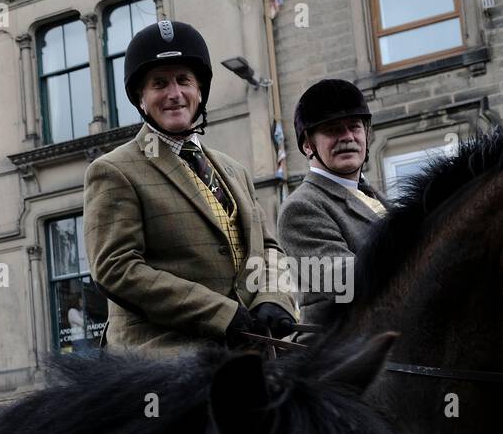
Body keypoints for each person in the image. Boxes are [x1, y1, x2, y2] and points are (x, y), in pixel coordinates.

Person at [84, 19, 298, 356]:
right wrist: (221, 314)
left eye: (184, 80)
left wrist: (274, 297)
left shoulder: (234, 169)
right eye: (159, 84)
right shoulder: (113, 170)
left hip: (248, 348)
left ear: (200, 92)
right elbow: (116, 268)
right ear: (141, 98)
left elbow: (269, 247)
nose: (174, 94)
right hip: (164, 353)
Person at [278, 78, 387, 327]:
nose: (347, 137)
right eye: (333, 130)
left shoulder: (376, 198)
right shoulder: (302, 208)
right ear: (308, 144)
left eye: (354, 127)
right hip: (340, 348)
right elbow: (349, 283)